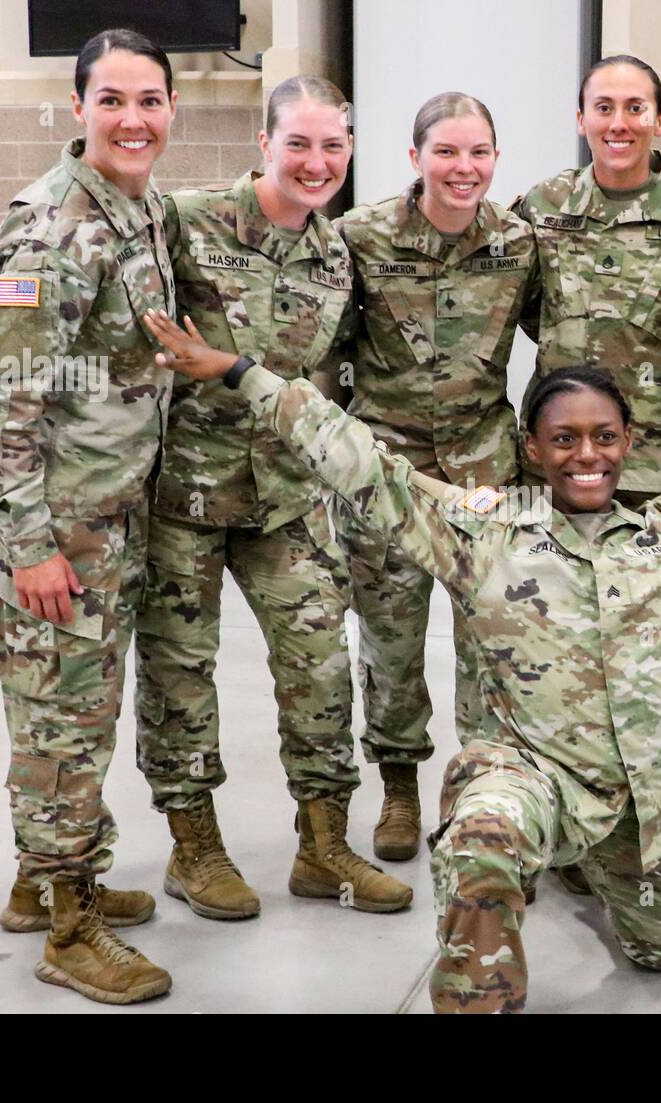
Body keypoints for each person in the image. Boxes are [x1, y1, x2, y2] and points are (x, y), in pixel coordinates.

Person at [141, 284, 661, 1013]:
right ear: (534, 449)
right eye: (566, 438)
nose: (588, 454)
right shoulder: (482, 529)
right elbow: (363, 463)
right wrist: (241, 373)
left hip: (641, 803)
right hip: (526, 778)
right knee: (481, 843)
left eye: (605, 436)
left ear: (628, 441)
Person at [133, 76, 411, 917]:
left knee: (321, 668)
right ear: (265, 143)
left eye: (333, 146)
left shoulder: (337, 256)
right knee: (180, 675)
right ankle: (194, 848)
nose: (316, 162)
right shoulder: (186, 221)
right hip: (183, 494)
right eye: (298, 143)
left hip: (286, 500)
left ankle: (324, 847)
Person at [0, 29, 178, 1004]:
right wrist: (31, 547)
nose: (133, 118)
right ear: (79, 108)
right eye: (114, 100)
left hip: (110, 518)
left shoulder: (141, 208)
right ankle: (69, 923)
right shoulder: (51, 226)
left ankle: (44, 875)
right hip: (56, 530)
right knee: (60, 722)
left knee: (78, 716)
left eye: (150, 100)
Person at [516, 53, 661, 894]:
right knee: (564, 645)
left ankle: (657, 822)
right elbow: (526, 311)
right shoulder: (542, 209)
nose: (620, 122)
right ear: (580, 117)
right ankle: (574, 816)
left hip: (659, 466)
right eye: (604, 106)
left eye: (637, 107)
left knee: (660, 654)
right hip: (569, 468)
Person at [332, 92, 540, 861]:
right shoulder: (361, 237)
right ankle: (397, 787)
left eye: (478, 152)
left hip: (487, 472)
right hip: (390, 476)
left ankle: (485, 792)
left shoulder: (519, 243)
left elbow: (559, 333)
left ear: (495, 159)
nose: (464, 168)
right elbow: (326, 348)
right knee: (390, 641)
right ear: (415, 157)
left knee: (492, 645)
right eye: (447, 152)